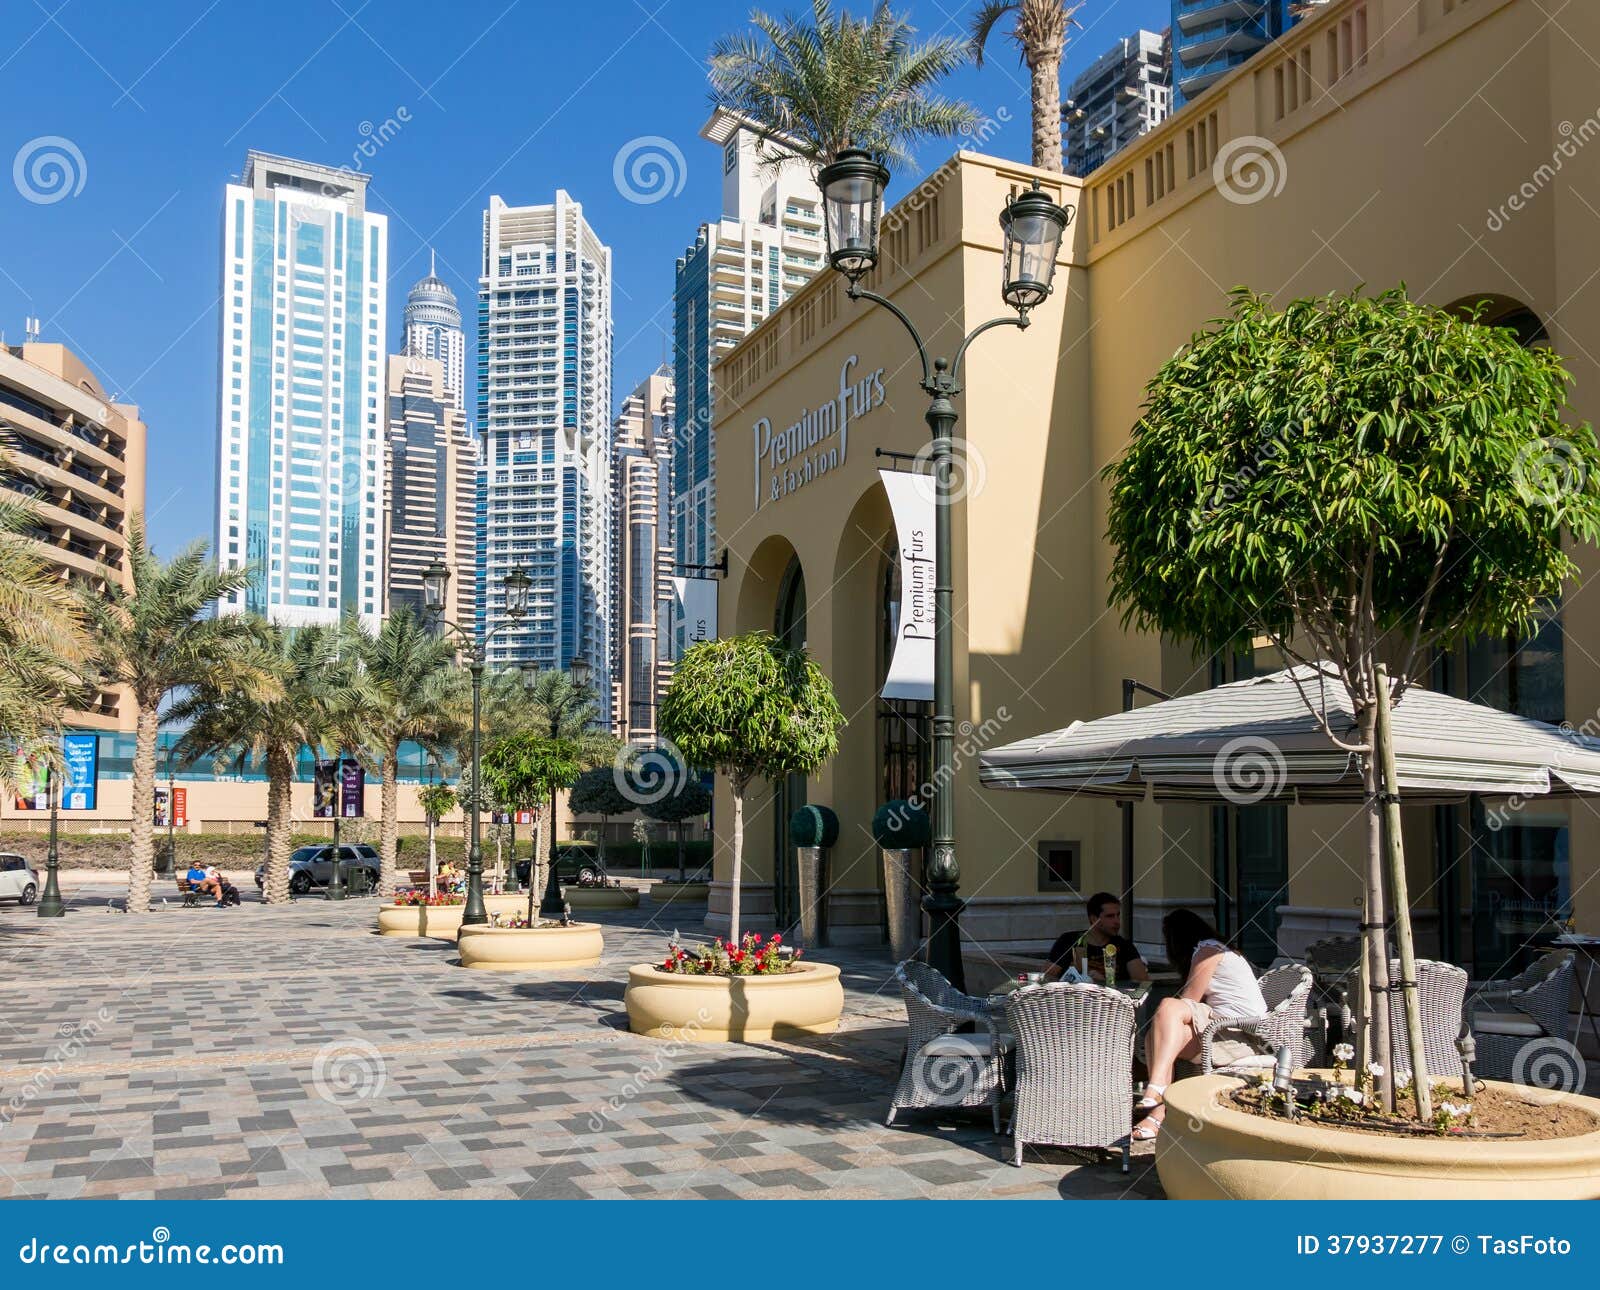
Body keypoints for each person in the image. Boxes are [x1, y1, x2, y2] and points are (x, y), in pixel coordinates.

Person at [1133, 909, 1269, 1140]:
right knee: (1156, 1035)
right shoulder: (1219, 949)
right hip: (1224, 1033)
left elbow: (1189, 1000)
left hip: (1242, 1037)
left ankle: (1156, 1087)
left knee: (1168, 1007)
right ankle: (1157, 1113)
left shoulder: (1208, 949)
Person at [1043, 892, 1149, 984]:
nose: (1117, 921)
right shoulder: (1069, 940)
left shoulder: (1124, 946)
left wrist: (1103, 983)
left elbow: (1142, 983)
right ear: (1094, 919)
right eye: (1110, 916)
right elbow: (1046, 977)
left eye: (1118, 915)